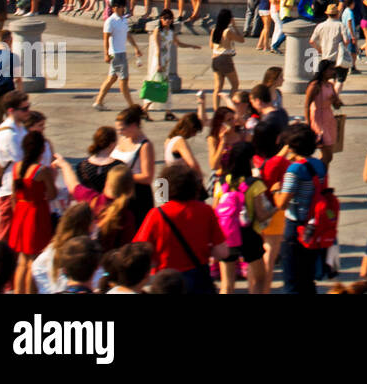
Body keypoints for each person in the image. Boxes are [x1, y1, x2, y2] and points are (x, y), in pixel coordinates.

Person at [134, 163, 229, 293]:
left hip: (166, 281)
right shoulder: (205, 211)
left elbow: (139, 251)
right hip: (199, 277)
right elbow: (222, 252)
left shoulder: (157, 214)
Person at [213, 141, 273, 294]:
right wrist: (276, 208)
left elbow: (215, 212)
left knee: (226, 285)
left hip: (227, 236)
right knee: (259, 279)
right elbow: (260, 216)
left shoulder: (220, 183)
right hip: (249, 236)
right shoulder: (255, 184)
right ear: (249, 160)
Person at [275, 125, 329, 295]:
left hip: (295, 227)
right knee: (307, 279)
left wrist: (276, 190)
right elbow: (328, 157)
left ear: (292, 146)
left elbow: (282, 204)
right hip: (314, 226)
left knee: (291, 282)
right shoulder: (319, 165)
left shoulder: (295, 169)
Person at [8, 129, 56, 293]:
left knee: (22, 260)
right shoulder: (41, 170)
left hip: (21, 210)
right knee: (33, 262)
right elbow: (52, 193)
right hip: (36, 213)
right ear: (42, 149)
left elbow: (13, 195)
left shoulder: (16, 167)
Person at [143, 9, 199, 121]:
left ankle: (168, 112)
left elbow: (178, 43)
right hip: (159, 62)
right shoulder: (158, 31)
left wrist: (191, 46)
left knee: (165, 87)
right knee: (156, 86)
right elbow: (158, 48)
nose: (167, 20)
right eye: (165, 18)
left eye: (169, 18)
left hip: (166, 61)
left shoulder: (171, 32)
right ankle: (144, 110)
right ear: (161, 19)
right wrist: (159, 64)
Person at [93, 0, 143, 110]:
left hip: (121, 52)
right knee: (124, 79)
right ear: (115, 8)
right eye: (121, 7)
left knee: (112, 78)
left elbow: (128, 35)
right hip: (116, 53)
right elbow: (105, 38)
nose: (123, 9)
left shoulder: (124, 20)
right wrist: (106, 54)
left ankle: (98, 102)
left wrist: (136, 48)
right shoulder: (110, 21)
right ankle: (131, 106)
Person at [111, 104, 156, 222]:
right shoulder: (122, 139)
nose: (120, 132)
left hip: (137, 196)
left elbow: (148, 177)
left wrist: (121, 176)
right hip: (119, 193)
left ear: (134, 126)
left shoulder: (145, 146)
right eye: (118, 129)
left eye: (122, 129)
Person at [305, 59, 343, 168]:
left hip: (329, 117)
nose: (333, 72)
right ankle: (317, 172)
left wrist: (336, 101)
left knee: (328, 152)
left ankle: (322, 175)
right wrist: (308, 123)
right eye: (331, 69)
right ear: (324, 70)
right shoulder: (315, 86)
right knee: (328, 155)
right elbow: (307, 105)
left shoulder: (330, 85)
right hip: (318, 118)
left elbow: (336, 105)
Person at [209, 8, 244, 109]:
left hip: (215, 59)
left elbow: (211, 46)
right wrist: (235, 26)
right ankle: (230, 106)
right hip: (225, 59)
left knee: (218, 87)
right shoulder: (227, 31)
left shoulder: (214, 30)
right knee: (235, 84)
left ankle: (216, 110)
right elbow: (242, 40)